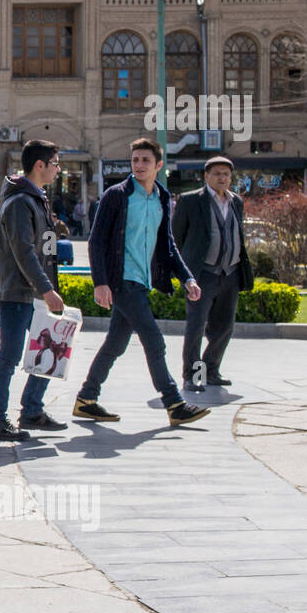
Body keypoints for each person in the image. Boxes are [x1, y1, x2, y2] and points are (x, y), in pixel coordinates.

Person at [74, 138, 209, 427]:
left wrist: (187, 277)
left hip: (141, 281)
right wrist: (101, 282)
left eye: (145, 160)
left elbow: (168, 245)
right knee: (154, 340)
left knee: (115, 344)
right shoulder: (116, 195)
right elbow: (96, 241)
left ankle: (86, 398)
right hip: (122, 280)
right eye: (135, 160)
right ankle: (174, 403)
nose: (139, 165)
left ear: (158, 165)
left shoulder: (162, 198)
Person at [0, 140, 67, 441]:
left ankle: (32, 409)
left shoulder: (37, 198)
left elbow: (45, 250)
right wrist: (46, 289)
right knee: (10, 356)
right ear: (40, 165)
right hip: (17, 292)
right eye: (55, 163)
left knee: (53, 347)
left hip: (35, 292)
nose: (58, 169)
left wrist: (50, 287)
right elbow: (24, 251)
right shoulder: (20, 202)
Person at [172, 156, 254, 390]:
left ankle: (211, 369)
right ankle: (193, 376)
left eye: (226, 174)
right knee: (196, 327)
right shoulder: (190, 201)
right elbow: (176, 237)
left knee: (225, 326)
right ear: (206, 176)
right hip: (202, 274)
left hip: (230, 273)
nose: (222, 178)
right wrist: (183, 272)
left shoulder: (236, 201)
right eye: (217, 173)